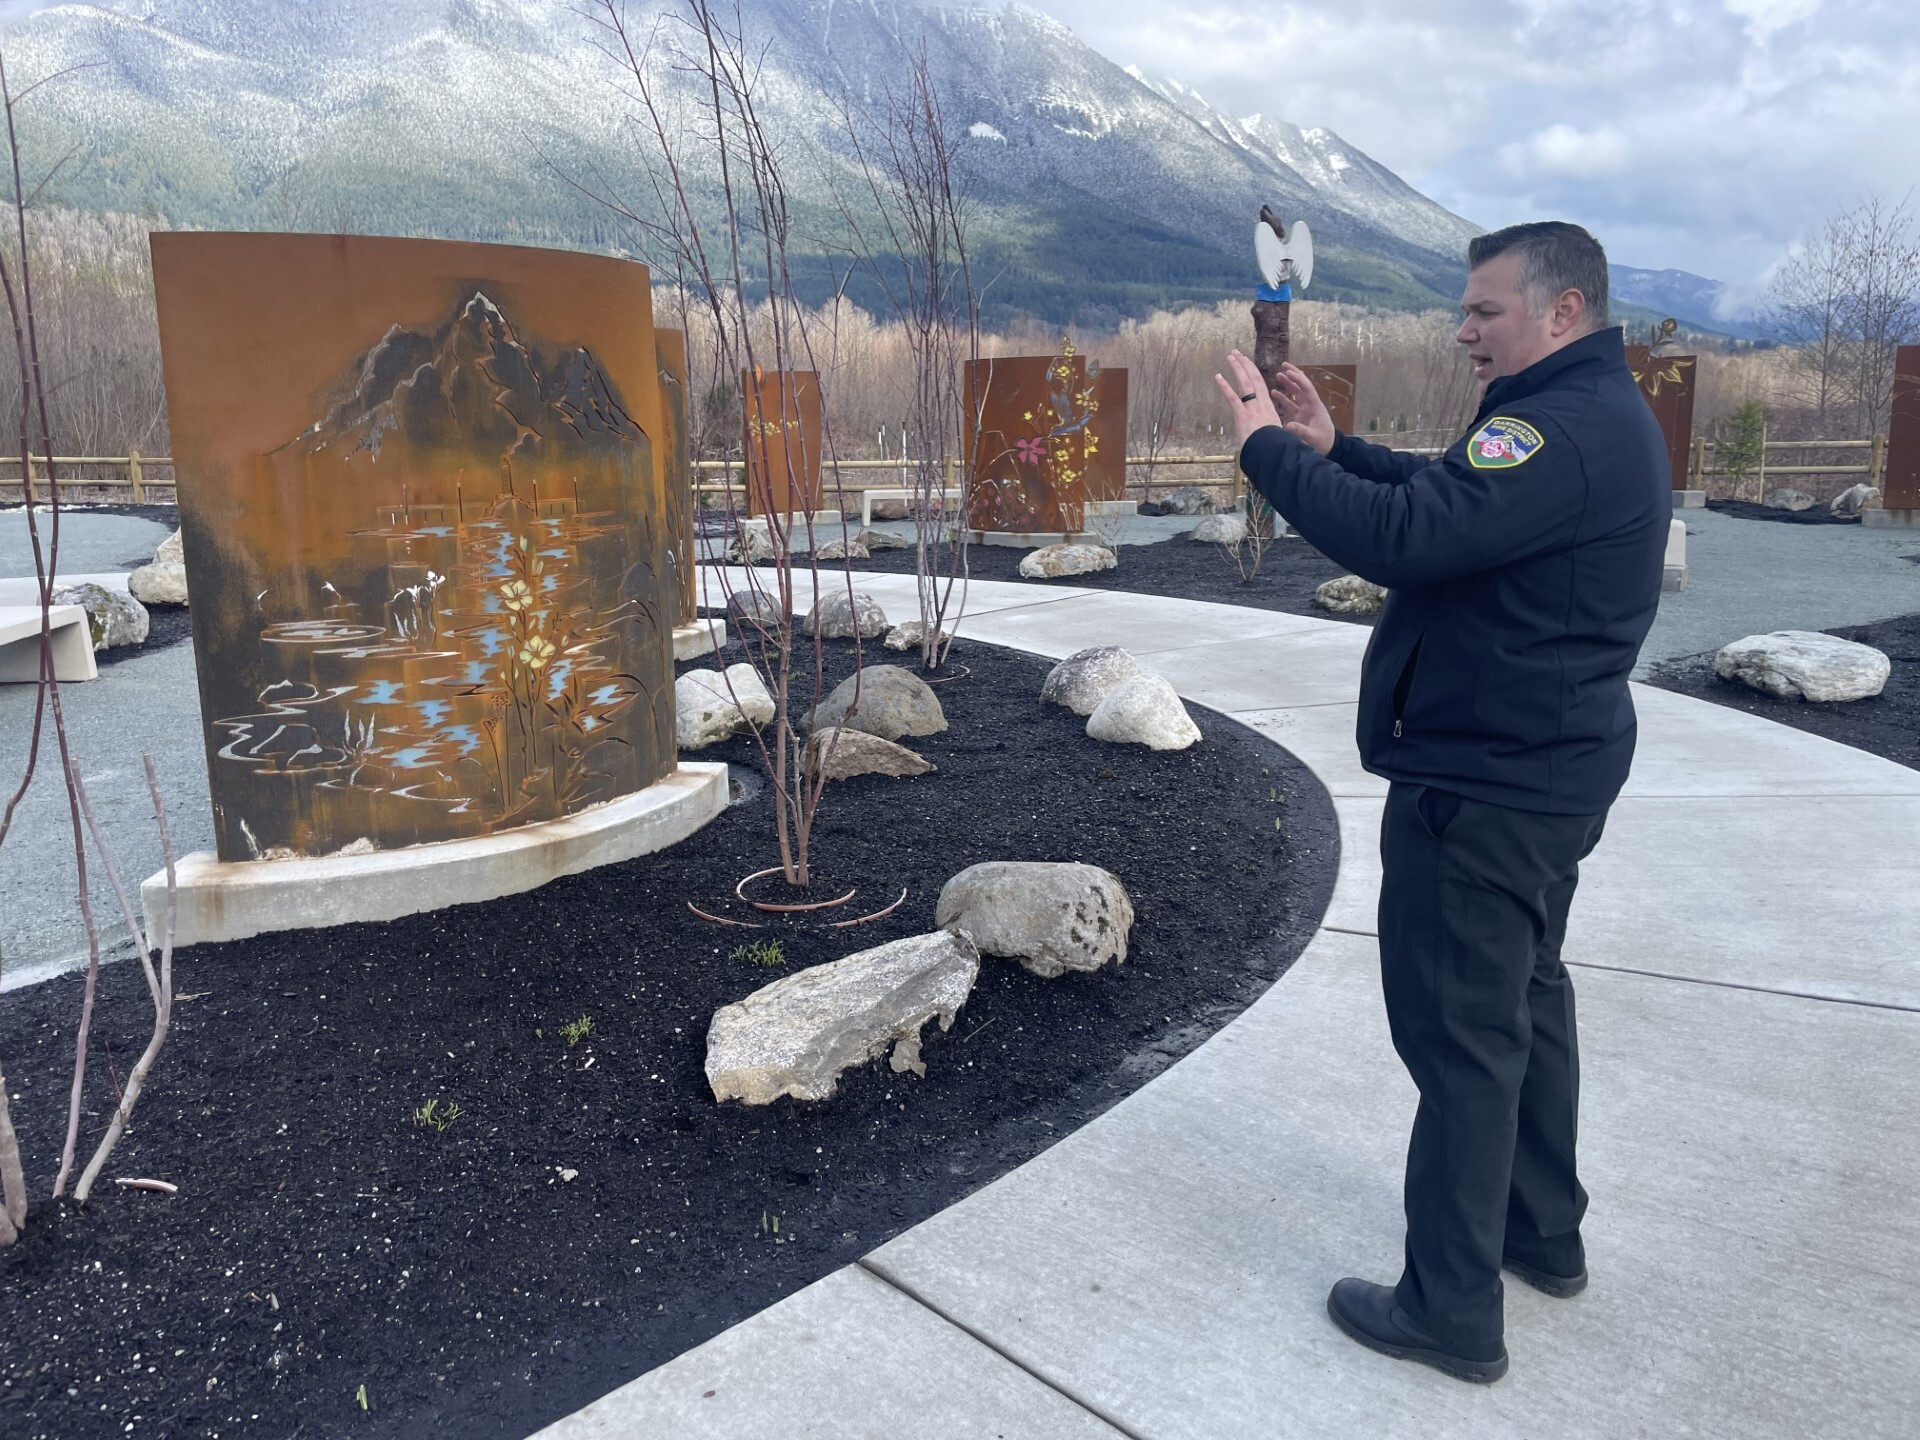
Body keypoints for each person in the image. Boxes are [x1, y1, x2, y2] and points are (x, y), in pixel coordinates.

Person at [1215, 221, 1669, 1384]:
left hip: (1486, 788)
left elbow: (1410, 540)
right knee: (1527, 1001)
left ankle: (1450, 1307)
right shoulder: (1580, 411)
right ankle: (1539, 1231)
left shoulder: (1555, 421)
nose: (1464, 331)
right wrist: (1337, 444)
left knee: (1463, 1039)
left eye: (1484, 312)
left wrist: (1269, 454)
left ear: (1562, 311)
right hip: (1542, 772)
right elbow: (1454, 496)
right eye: (1464, 312)